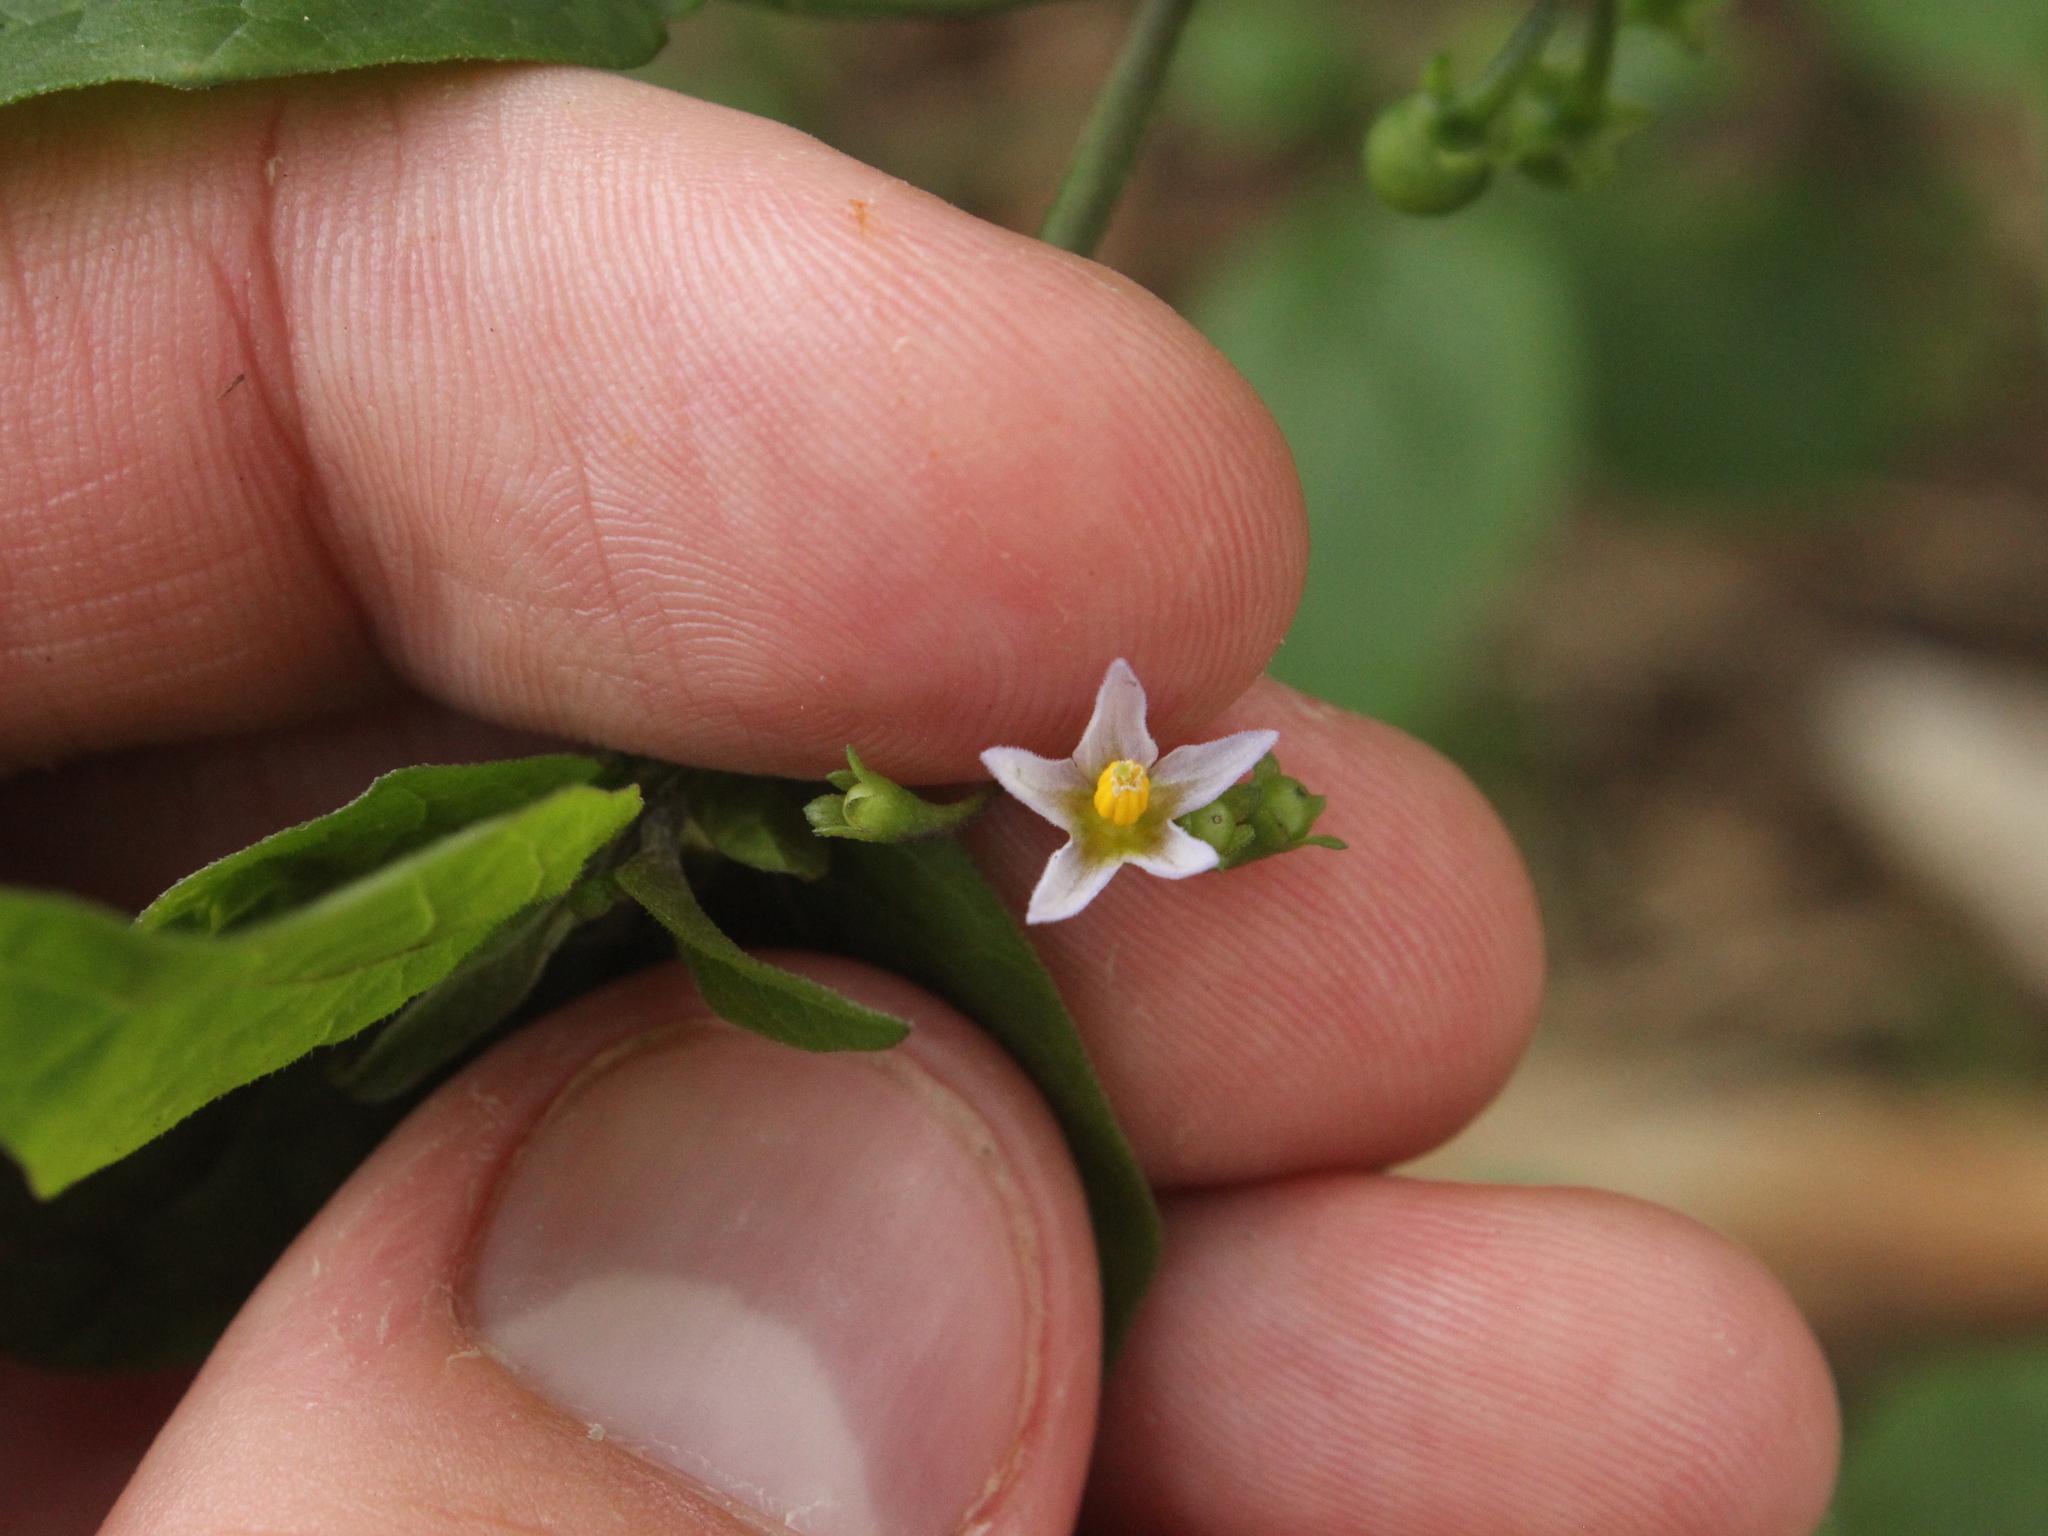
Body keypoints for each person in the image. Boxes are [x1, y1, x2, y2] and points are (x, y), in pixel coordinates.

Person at [0, 63, 1838, 1536]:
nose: (1122, 803)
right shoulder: (1066, 795)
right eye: (1131, 803)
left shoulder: (1091, 810)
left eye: (1145, 810)